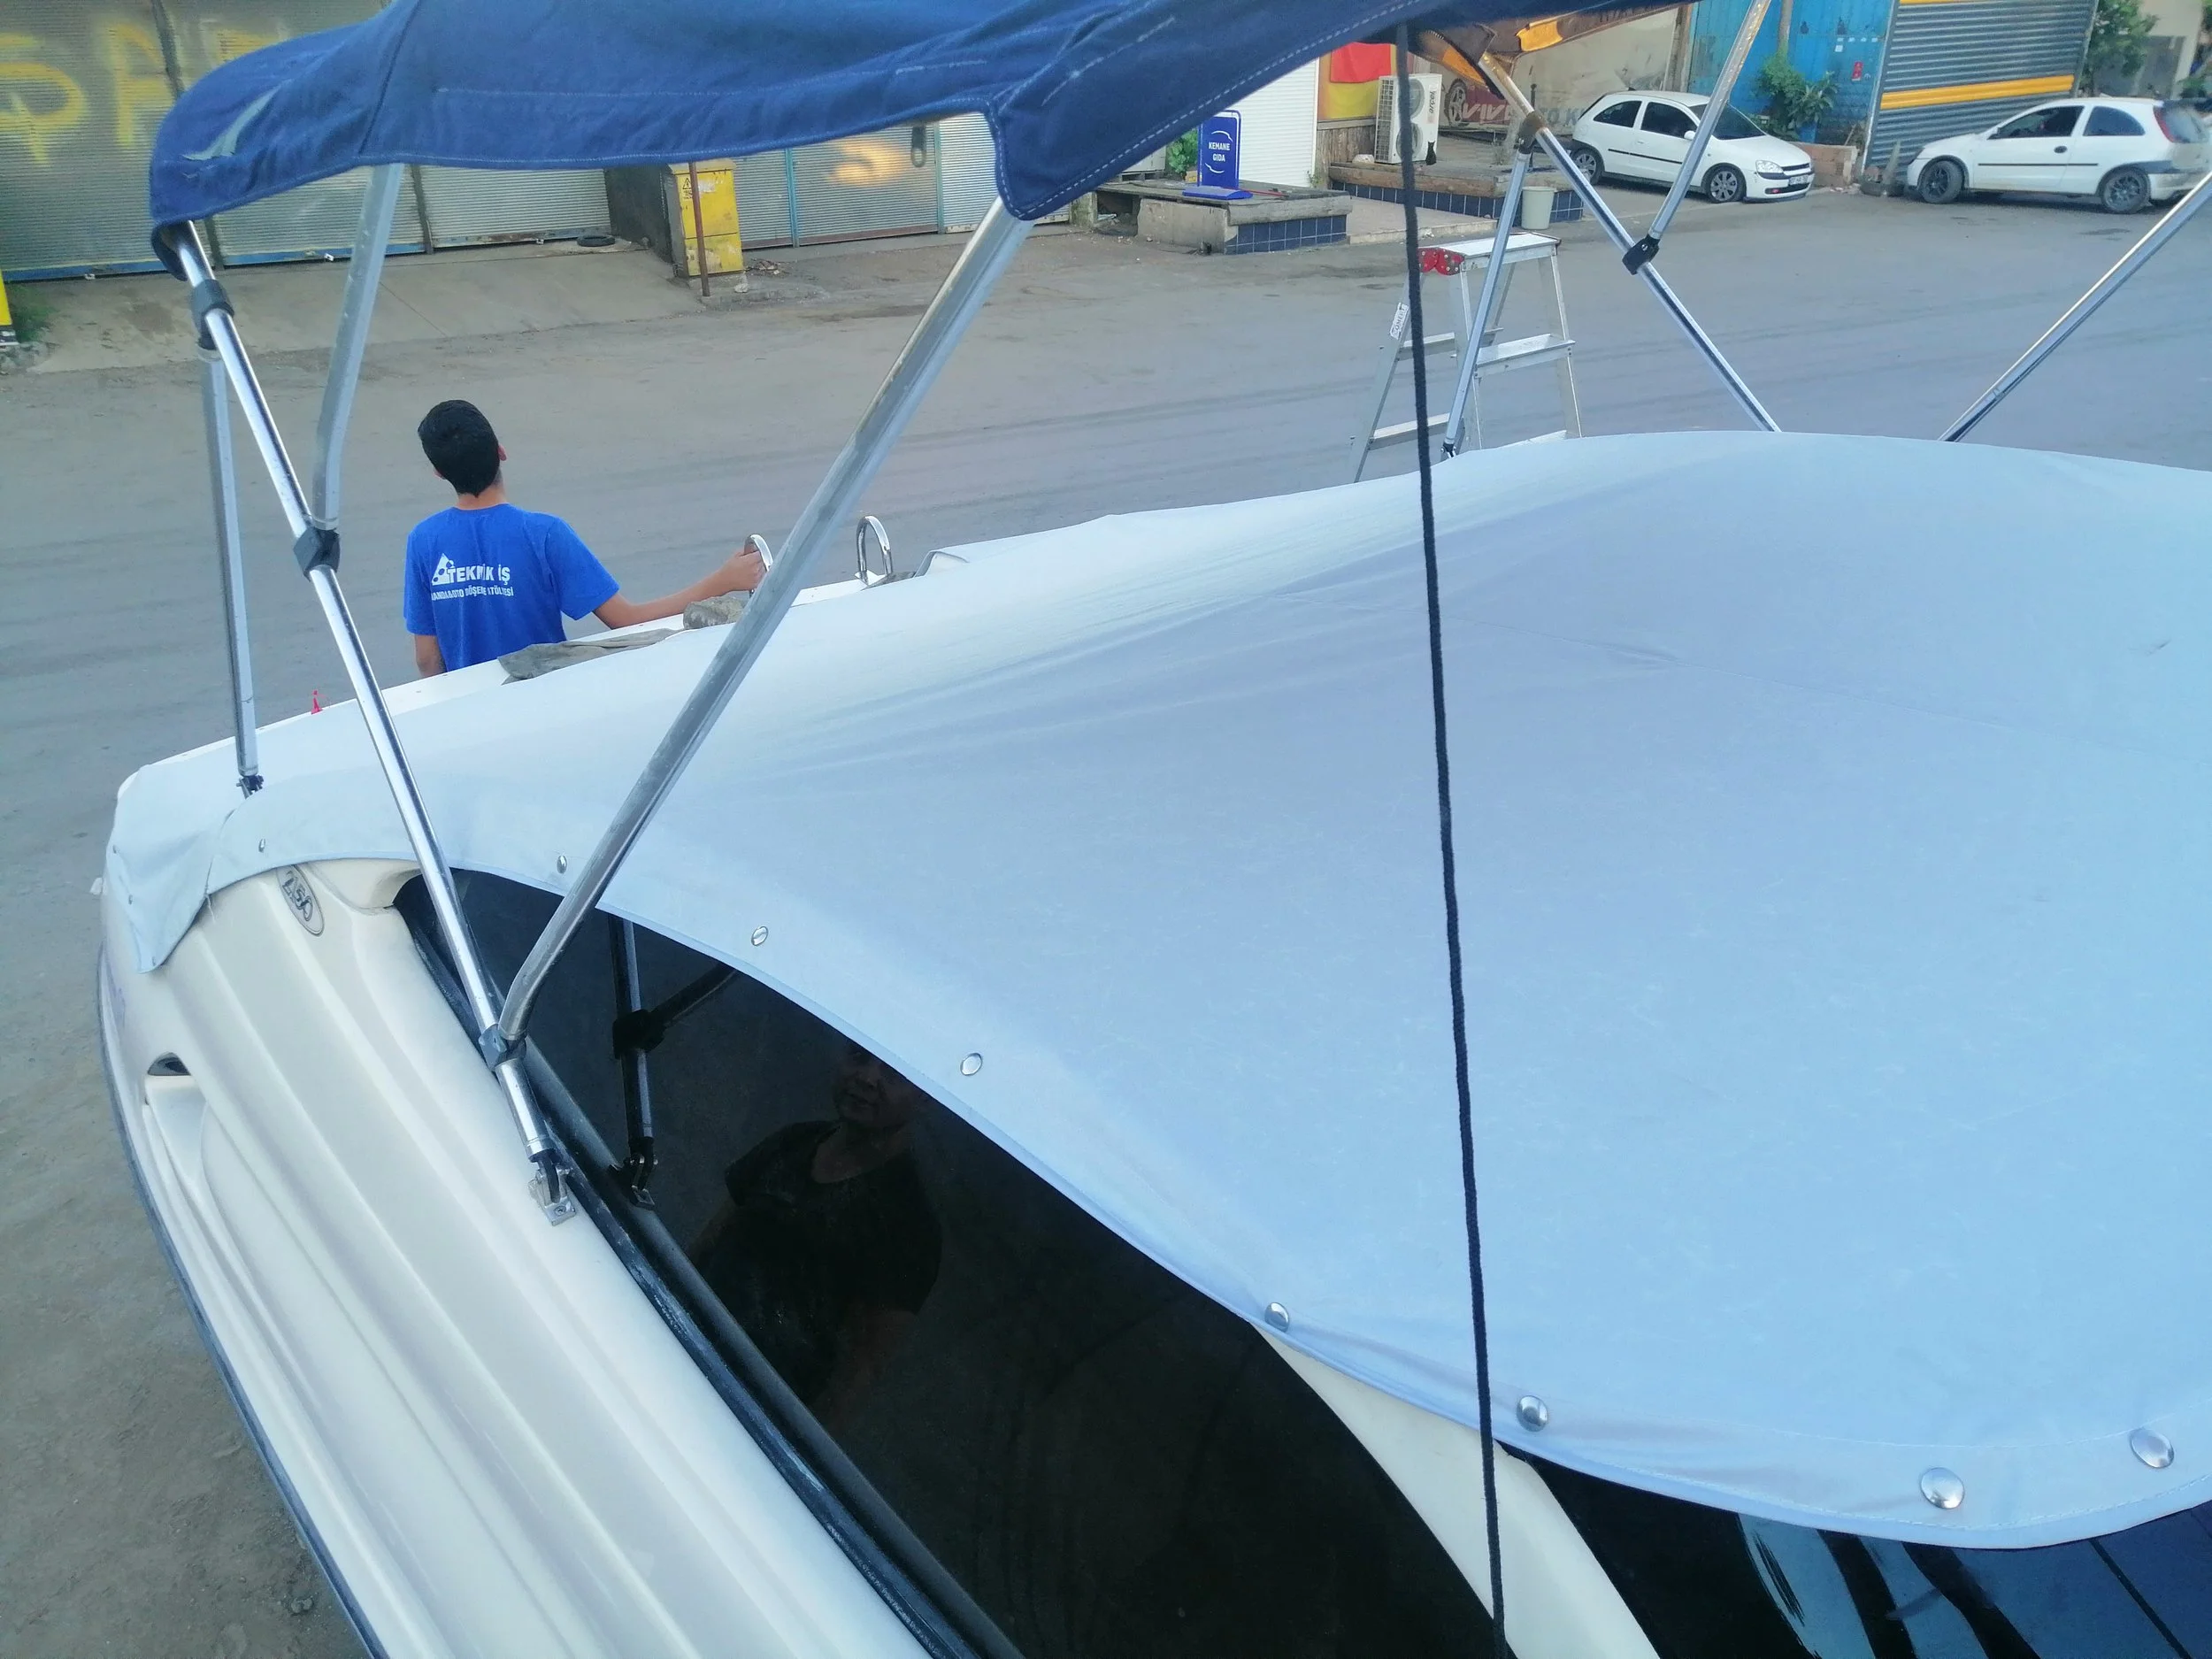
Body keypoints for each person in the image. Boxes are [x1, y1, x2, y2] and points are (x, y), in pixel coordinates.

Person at [403, 398, 764, 675]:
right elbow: (627, 619)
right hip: (540, 697)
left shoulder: (423, 540)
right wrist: (723, 580)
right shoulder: (543, 534)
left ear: (438, 472)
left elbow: (427, 660)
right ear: (501, 452)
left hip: (469, 709)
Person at [692, 1046, 942, 1425]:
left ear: (926, 1098)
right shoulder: (793, 1142)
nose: (867, 1078)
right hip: (679, 1338)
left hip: (751, 1412)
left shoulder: (908, 1224)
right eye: (859, 1057)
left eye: (894, 1073)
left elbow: (861, 1368)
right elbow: (709, 1240)